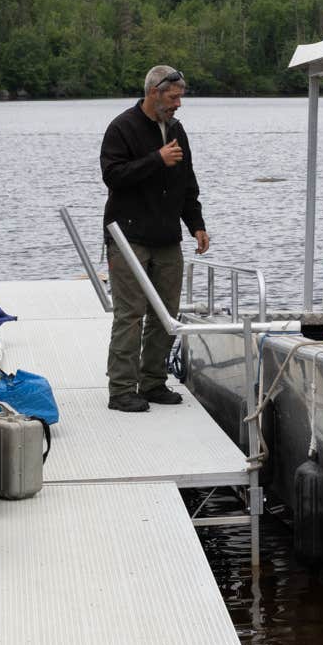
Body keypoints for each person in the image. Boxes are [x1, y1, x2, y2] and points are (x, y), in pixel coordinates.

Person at [100, 65, 210, 412]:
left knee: (166, 313)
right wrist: (156, 159)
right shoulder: (122, 127)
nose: (178, 104)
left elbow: (186, 183)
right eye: (173, 97)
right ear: (154, 93)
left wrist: (196, 224)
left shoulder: (177, 130)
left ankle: (152, 382)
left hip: (166, 236)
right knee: (130, 314)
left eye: (181, 98)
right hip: (127, 234)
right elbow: (113, 176)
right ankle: (121, 390)